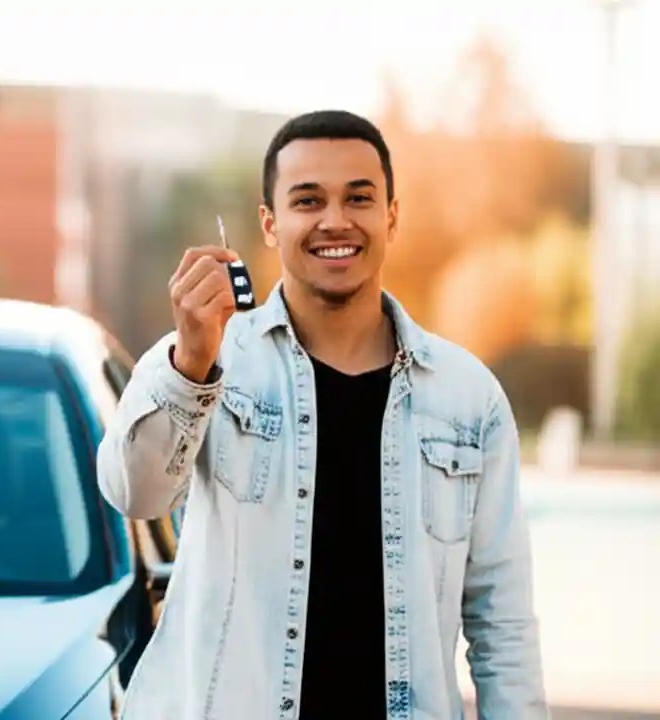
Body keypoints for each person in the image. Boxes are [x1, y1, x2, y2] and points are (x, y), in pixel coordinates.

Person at [97, 110, 547, 719]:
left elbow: (503, 621)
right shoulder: (205, 357)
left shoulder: (469, 398)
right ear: (270, 223)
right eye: (307, 200)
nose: (335, 220)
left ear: (391, 214)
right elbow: (137, 492)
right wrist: (192, 364)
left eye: (358, 198)